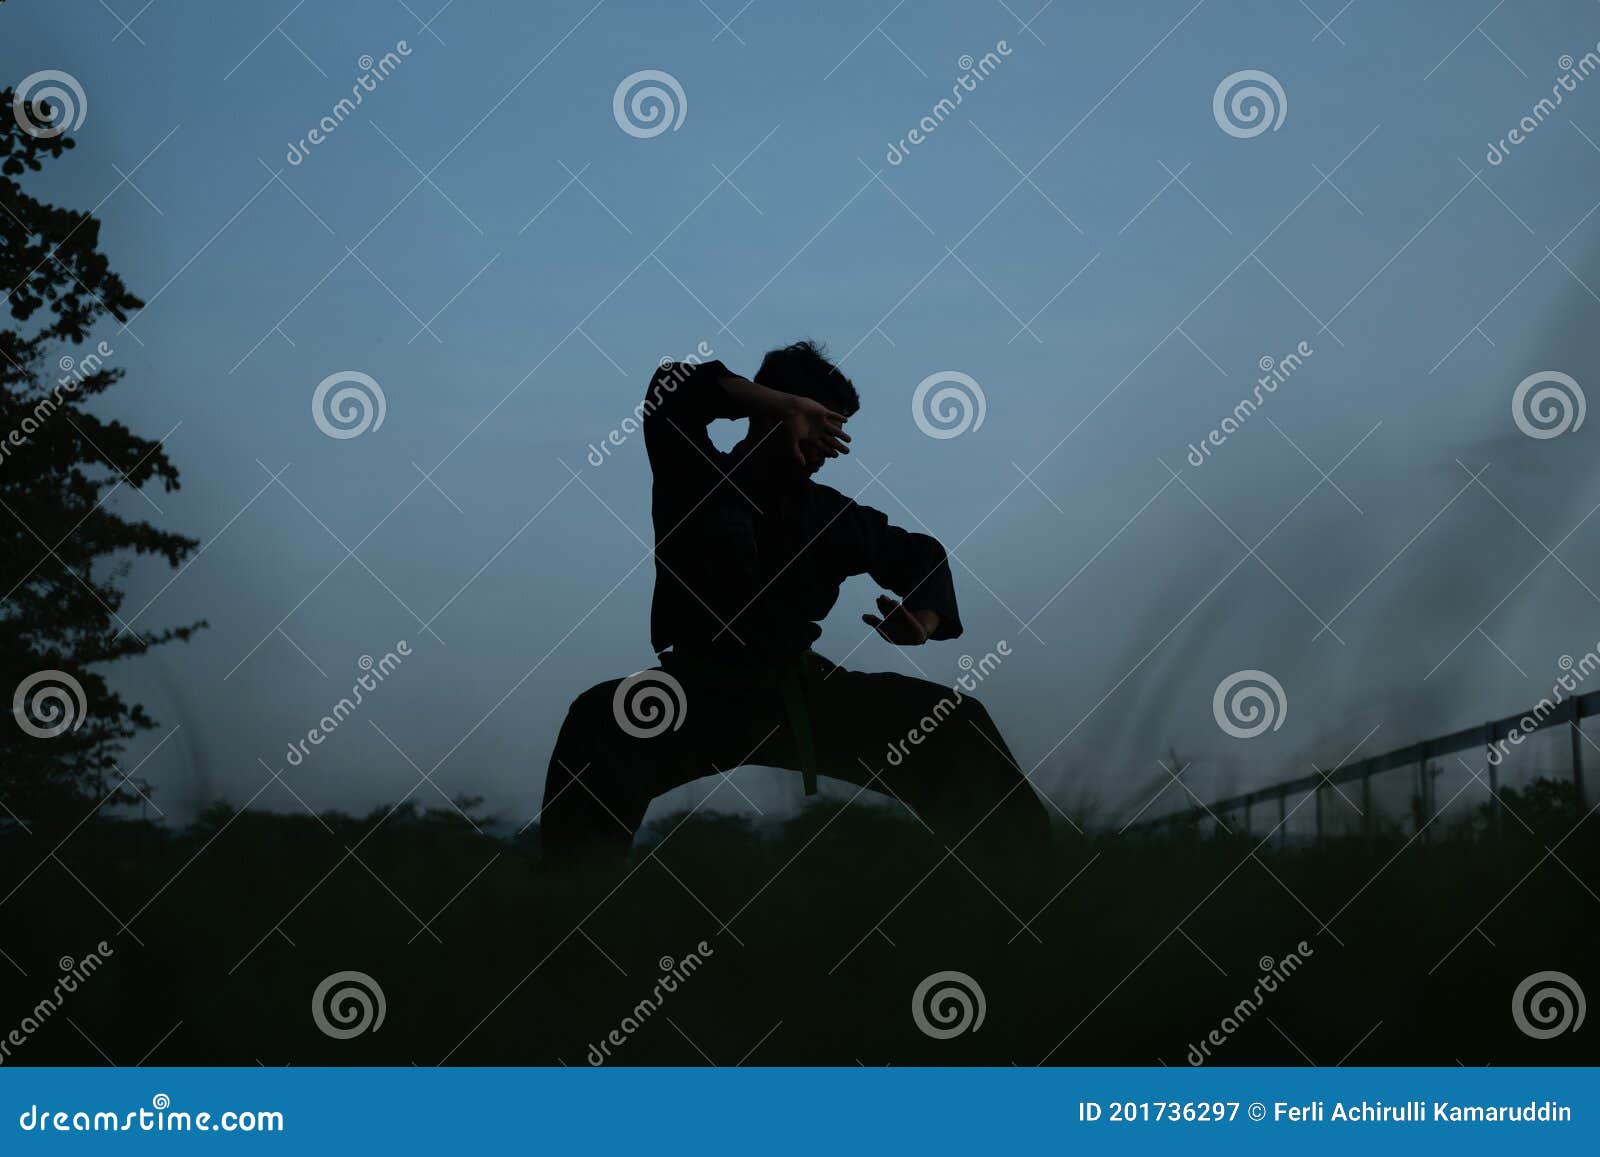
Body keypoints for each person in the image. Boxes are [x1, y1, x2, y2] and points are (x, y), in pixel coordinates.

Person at [539, 340, 1049, 866]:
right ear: (771, 409)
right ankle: (573, 896)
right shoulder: (693, 476)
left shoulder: (829, 515)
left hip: (799, 693)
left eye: (836, 430)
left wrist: (923, 619)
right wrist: (783, 404)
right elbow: (670, 391)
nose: (829, 445)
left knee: (955, 724)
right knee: (598, 722)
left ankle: (1026, 885)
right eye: (818, 424)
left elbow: (921, 555)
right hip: (697, 692)